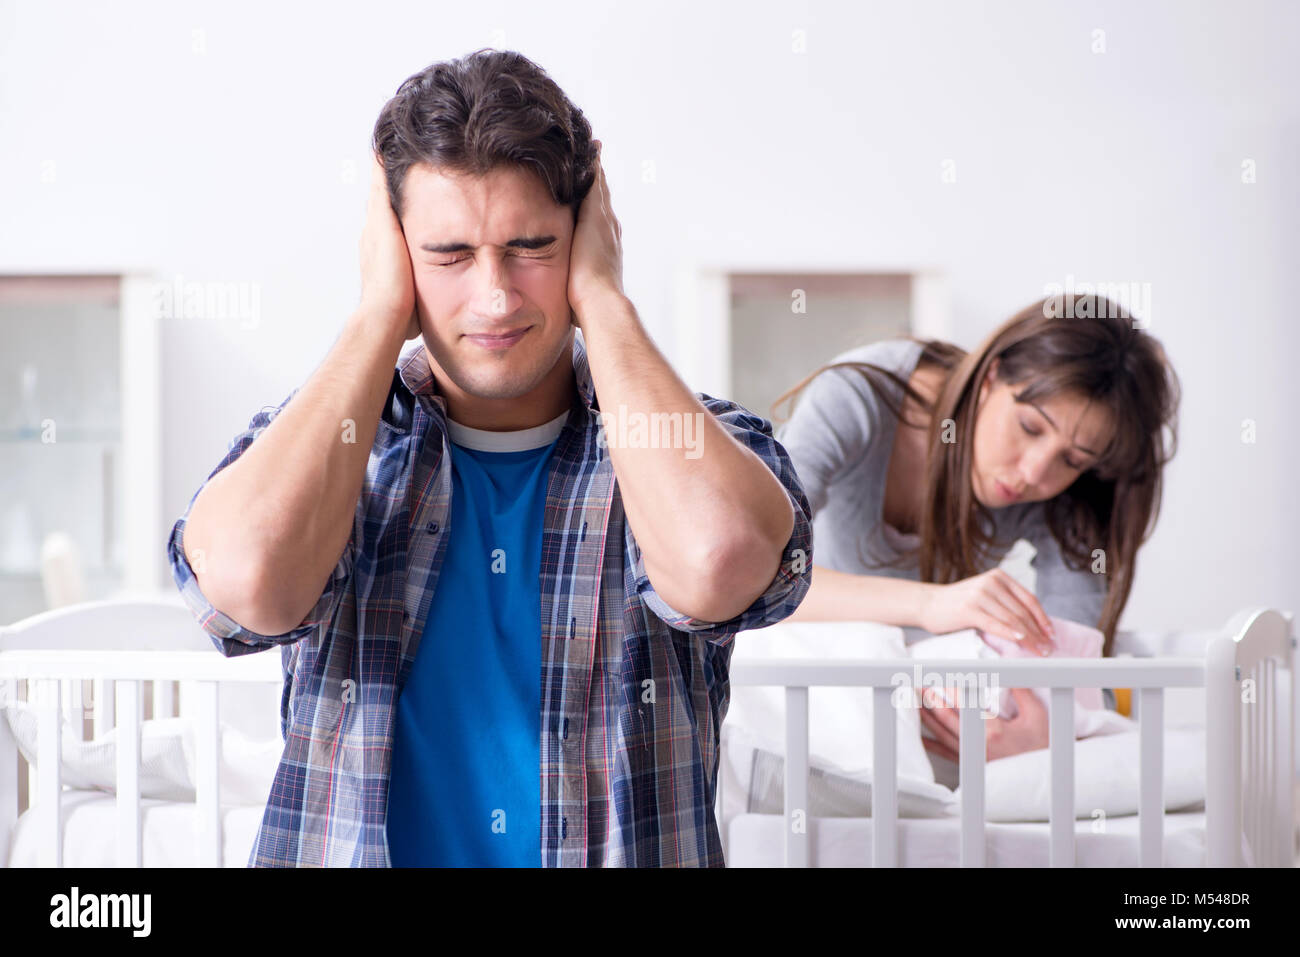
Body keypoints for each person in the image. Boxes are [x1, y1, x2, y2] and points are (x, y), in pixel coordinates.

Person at [166, 48, 813, 867]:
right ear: (393, 248)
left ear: (586, 234)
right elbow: (247, 583)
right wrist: (376, 313)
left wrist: (606, 302)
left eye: (532, 245)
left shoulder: (702, 444)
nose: (496, 297)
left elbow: (718, 560)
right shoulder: (325, 445)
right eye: (448, 255)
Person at [772, 295, 1179, 764]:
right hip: (814, 691)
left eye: (1073, 460)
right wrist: (933, 604)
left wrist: (1046, 739)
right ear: (990, 375)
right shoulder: (857, 397)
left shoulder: (1067, 495)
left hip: (927, 726)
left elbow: (1075, 666)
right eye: (1029, 427)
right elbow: (761, 575)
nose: (1033, 473)